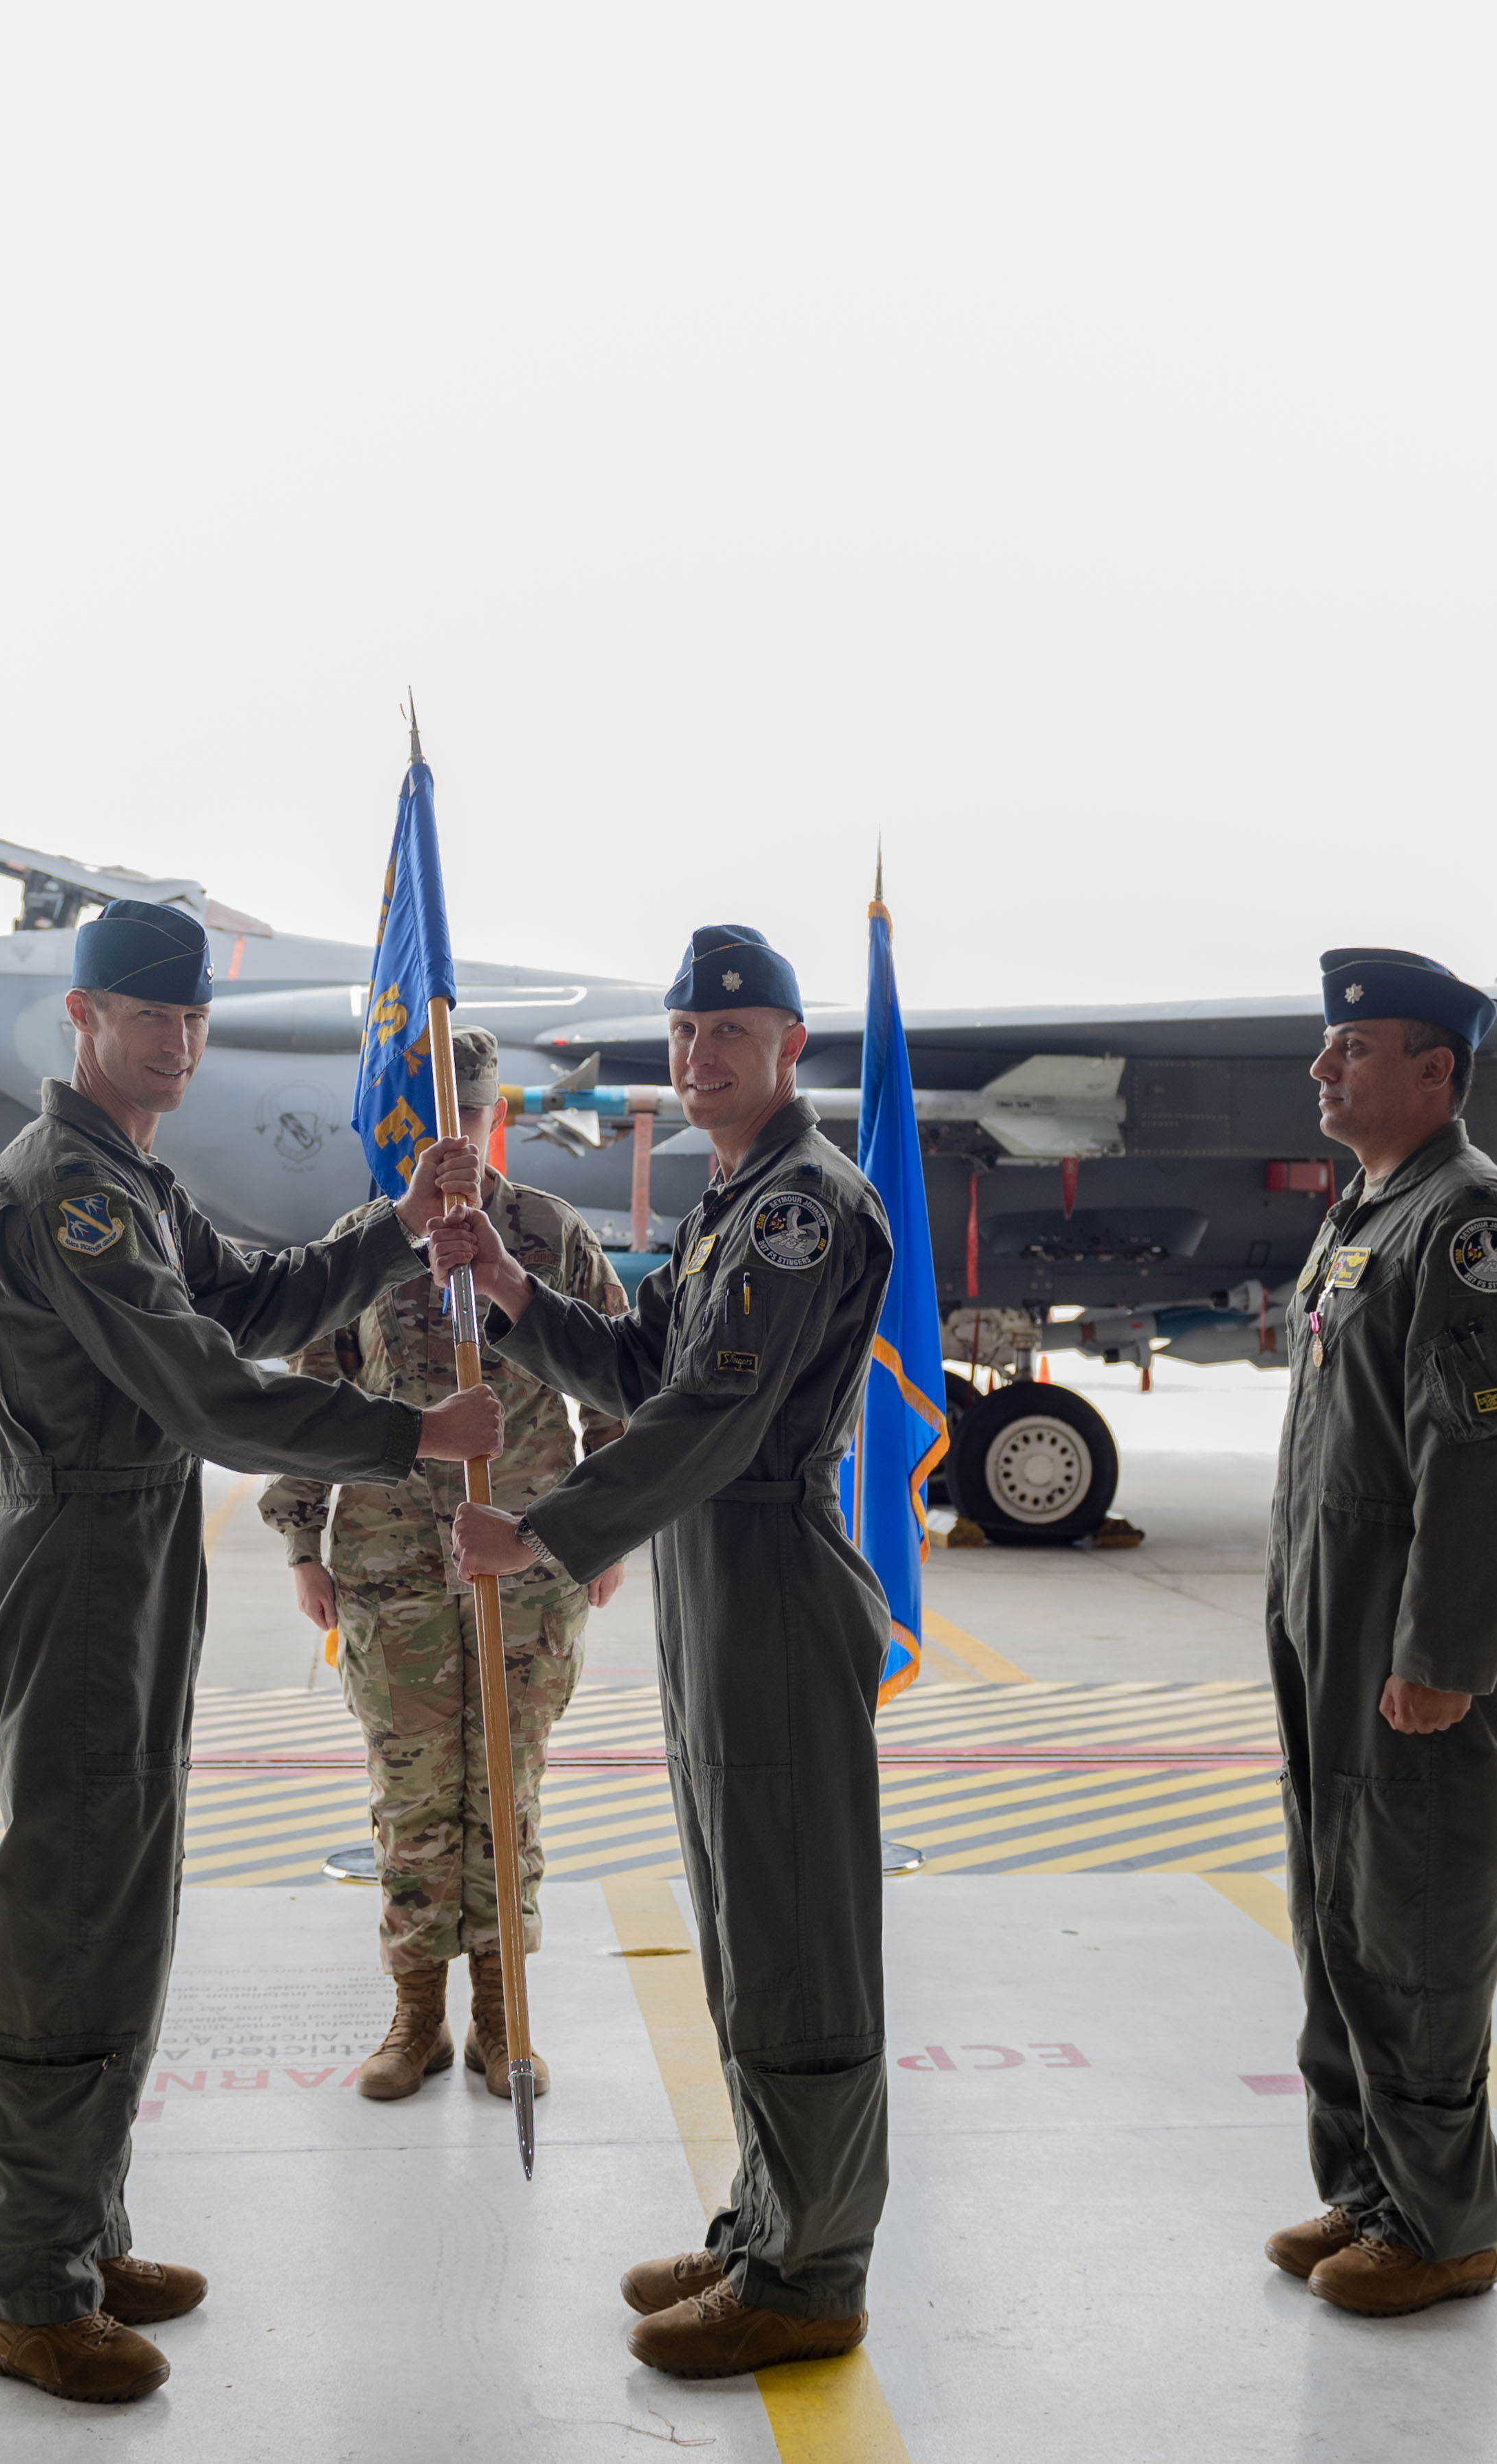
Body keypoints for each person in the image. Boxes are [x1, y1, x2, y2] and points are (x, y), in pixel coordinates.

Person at [0, 897, 500, 2404]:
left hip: (128, 1553)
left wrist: (390, 1231)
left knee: (120, 1898)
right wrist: (409, 1434)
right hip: (75, 1555)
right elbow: (206, 1390)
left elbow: (252, 1298)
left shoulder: (130, 1176)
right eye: (149, 1016)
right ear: (83, 1018)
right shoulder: (68, 1187)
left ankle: (78, 2231)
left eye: (192, 1017)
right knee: (71, 1900)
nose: (178, 1040)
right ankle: (24, 2285)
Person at [444, 925, 897, 2381]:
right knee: (742, 1923)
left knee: (796, 1940)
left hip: (762, 1559)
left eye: (731, 1031)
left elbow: (712, 1416)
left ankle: (810, 2274)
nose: (699, 1054)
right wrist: (511, 1289)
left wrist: (548, 1526)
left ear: (790, 1044)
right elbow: (644, 1365)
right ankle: (769, 2218)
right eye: (685, 1032)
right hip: (716, 1567)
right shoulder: (732, 1199)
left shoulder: (796, 1210)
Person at [1257, 948, 1497, 2319]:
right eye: (1327, 1047)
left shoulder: (1467, 1221)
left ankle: (1443, 2224)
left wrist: (1442, 1655)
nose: (1325, 1066)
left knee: (1416, 1922)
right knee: (1336, 1918)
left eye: (1354, 1045)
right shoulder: (1363, 1210)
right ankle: (1372, 2190)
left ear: (1437, 1069)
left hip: (1403, 1639)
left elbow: (1481, 1465)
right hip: (1326, 1623)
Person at [257, 1022, 632, 2103]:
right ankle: (415, 2014)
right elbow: (310, 1400)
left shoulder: (548, 1235)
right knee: (413, 1795)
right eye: (429, 1120)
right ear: (400, 1129)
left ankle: (501, 2018)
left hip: (524, 1564)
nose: (452, 1138)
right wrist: (301, 1541)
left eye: (469, 1115)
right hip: (387, 1568)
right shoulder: (363, 1242)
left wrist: (601, 1531)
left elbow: (614, 1383)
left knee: (506, 1790)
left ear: (495, 1117)